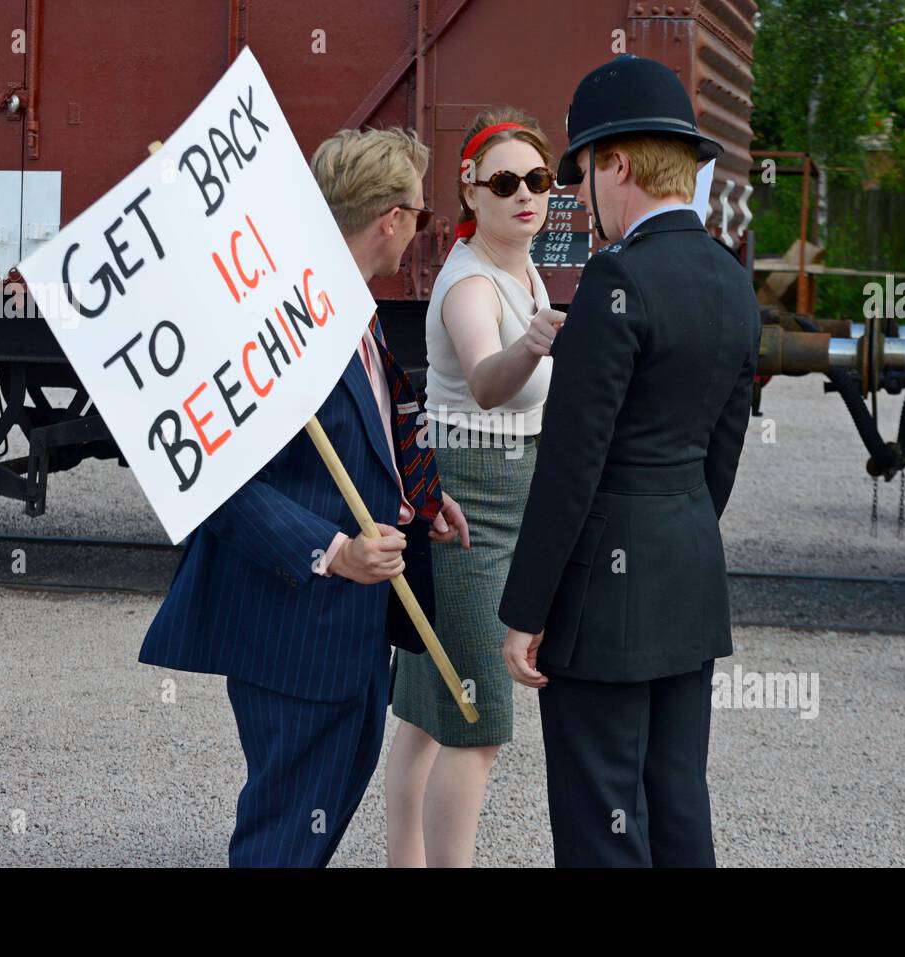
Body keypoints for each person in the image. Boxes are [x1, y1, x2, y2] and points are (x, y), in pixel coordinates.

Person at [138, 127, 468, 867]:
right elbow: (220, 483)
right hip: (295, 629)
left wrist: (424, 496)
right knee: (285, 838)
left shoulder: (349, 305)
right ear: (389, 217)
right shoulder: (275, 316)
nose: (421, 227)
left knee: (311, 831)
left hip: (352, 628)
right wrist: (332, 550)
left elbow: (379, 424)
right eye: (418, 211)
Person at [497, 53, 760, 868]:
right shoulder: (730, 278)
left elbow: (572, 465)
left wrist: (525, 608)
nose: (581, 198)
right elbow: (724, 446)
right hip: (687, 576)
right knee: (677, 801)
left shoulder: (617, 280)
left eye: (581, 175)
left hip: (600, 607)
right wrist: (673, 531)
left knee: (601, 817)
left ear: (617, 164)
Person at [385, 107, 566, 867]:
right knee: (475, 718)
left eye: (539, 179)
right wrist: (532, 343)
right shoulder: (469, 285)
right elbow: (489, 383)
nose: (526, 194)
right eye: (506, 182)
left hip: (504, 493)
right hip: (468, 501)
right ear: (472, 192)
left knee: (429, 713)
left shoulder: (519, 265)